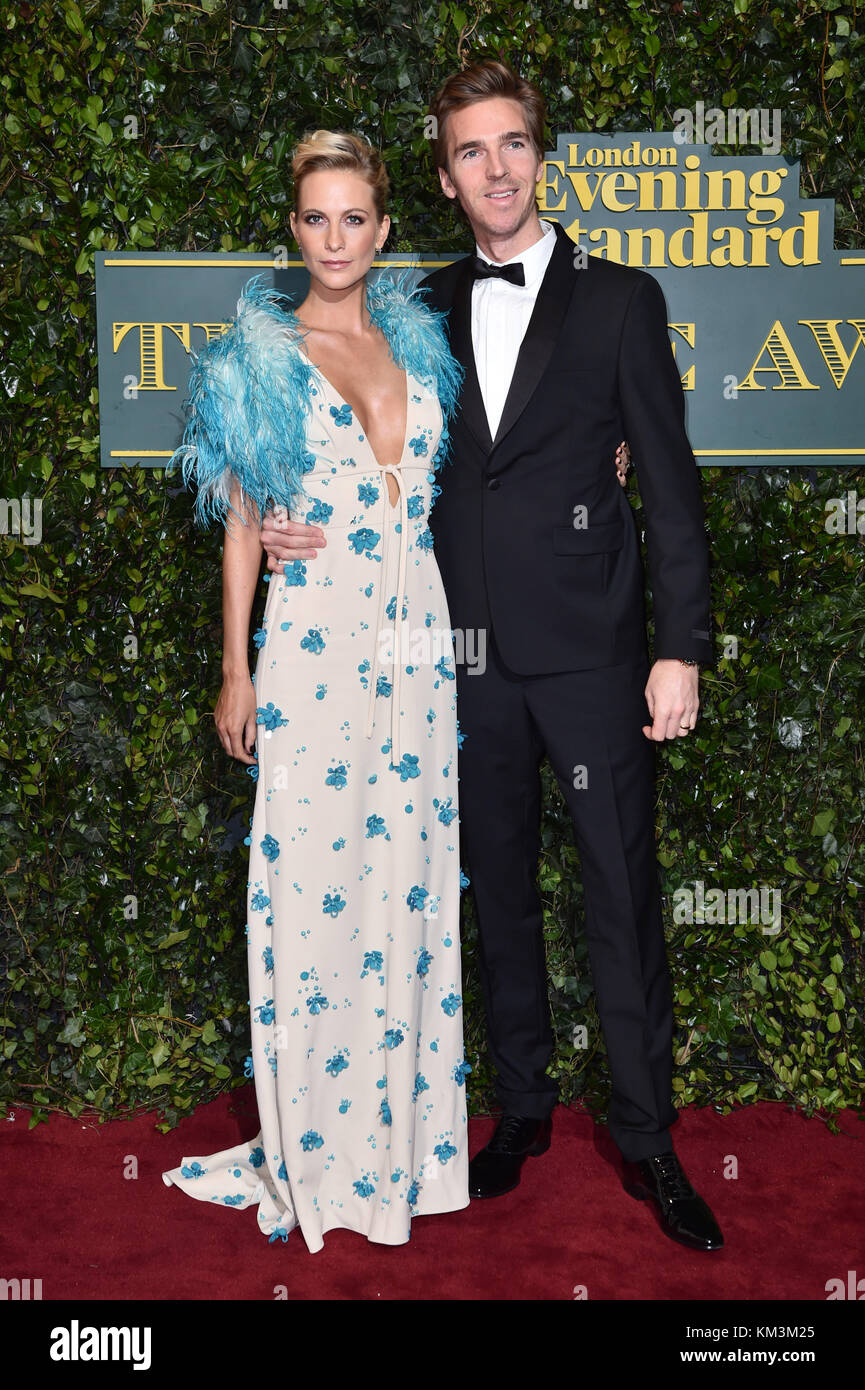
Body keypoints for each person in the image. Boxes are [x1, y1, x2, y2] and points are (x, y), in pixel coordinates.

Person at [259, 62, 724, 1254]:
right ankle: (518, 1109)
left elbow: (669, 492)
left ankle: (650, 1137)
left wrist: (677, 650)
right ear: (445, 172)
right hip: (454, 658)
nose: (496, 169)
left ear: (540, 151)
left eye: (512, 143)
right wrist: (273, 518)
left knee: (620, 894)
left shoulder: (623, 299)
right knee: (498, 891)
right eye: (471, 151)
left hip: (591, 652)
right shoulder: (414, 306)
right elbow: (346, 437)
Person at [161, 130, 471, 1253]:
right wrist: (236, 667)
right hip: (312, 648)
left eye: (355, 219)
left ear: (384, 231)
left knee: (408, 883)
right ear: (293, 230)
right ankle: (315, 1151)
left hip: (419, 646)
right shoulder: (262, 358)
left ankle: (402, 1153)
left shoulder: (418, 350)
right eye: (315, 219)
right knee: (311, 890)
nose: (335, 239)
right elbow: (245, 521)